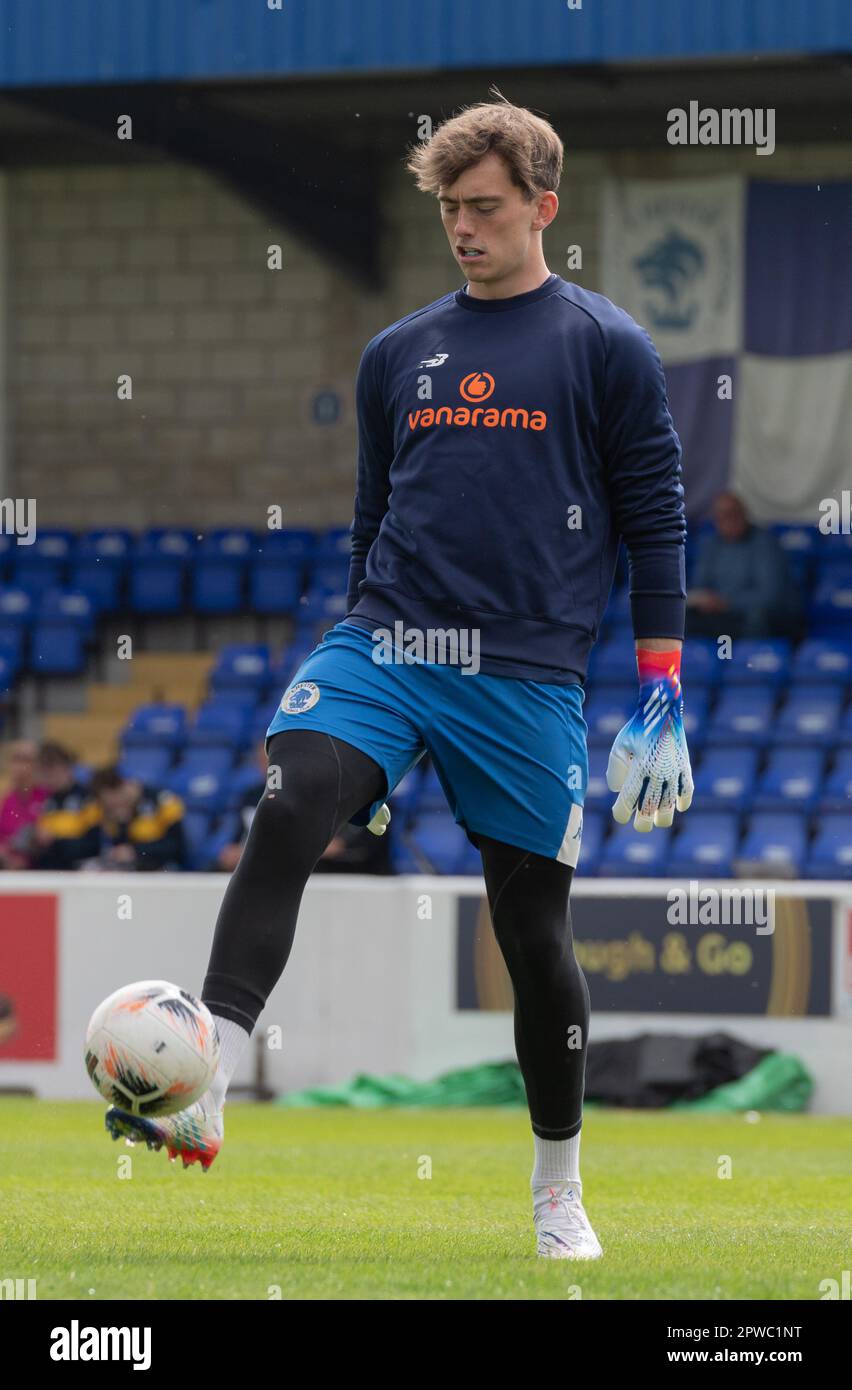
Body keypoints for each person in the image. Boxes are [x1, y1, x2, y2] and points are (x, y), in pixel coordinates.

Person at [104, 92, 693, 1260]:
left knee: (535, 937)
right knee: (290, 799)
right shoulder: (398, 353)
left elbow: (656, 516)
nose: (464, 228)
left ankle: (557, 1191)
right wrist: (369, 651)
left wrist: (663, 680)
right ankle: (211, 1059)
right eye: (449, 210)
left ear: (542, 206)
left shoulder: (605, 345)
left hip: (526, 672)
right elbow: (374, 518)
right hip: (390, 640)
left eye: (485, 208)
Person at [686, 491, 802, 638]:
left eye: (733, 513)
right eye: (722, 515)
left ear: (744, 514)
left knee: (757, 616)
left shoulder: (765, 544)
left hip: (748, 615)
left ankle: (749, 658)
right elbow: (700, 585)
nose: (729, 520)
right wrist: (704, 600)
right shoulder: (711, 545)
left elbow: (770, 596)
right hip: (717, 616)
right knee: (682, 616)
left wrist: (726, 602)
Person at [81, 767, 188, 872]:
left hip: (161, 865)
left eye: (119, 797)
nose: (117, 804)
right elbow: (109, 846)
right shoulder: (106, 810)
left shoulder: (163, 802)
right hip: (128, 868)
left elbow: (177, 846)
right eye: (110, 805)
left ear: (127, 785)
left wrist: (136, 851)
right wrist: (121, 825)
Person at [28, 742, 99, 871]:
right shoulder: (45, 800)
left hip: (79, 869)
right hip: (49, 870)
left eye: (53, 768)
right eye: (44, 770)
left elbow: (94, 844)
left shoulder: (87, 798)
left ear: (68, 767)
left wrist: (55, 841)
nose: (49, 776)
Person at [0, 740, 49, 869]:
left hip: (40, 866)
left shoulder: (48, 797)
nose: (20, 766)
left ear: (38, 765)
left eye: (26, 760)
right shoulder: (5, 800)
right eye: (15, 760)